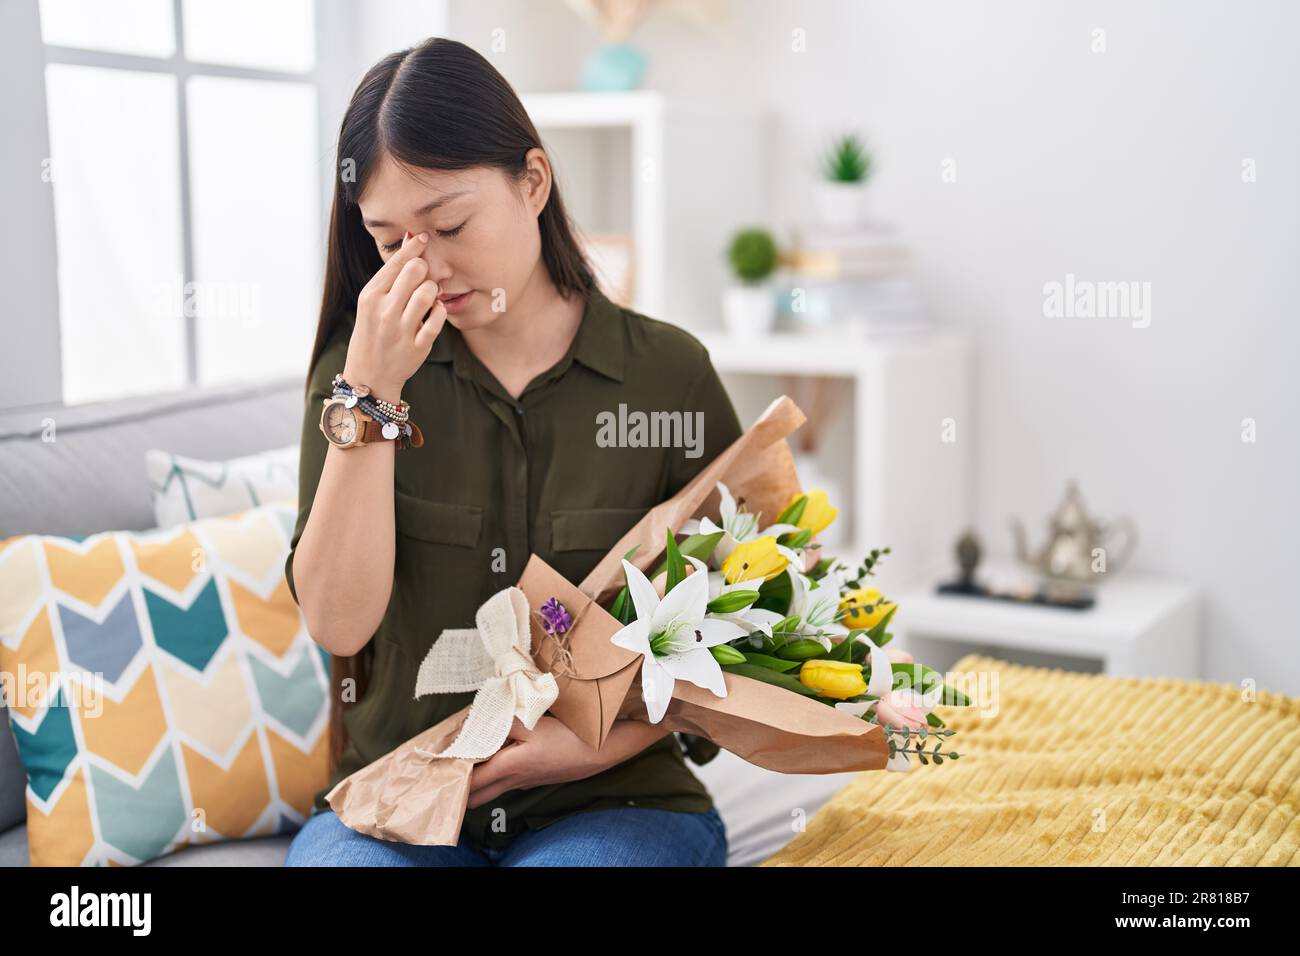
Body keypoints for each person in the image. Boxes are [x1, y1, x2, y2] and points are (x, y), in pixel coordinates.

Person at [282, 37, 742, 867]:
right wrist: (371, 402)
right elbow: (337, 622)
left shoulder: (669, 374)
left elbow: (742, 620)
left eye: (449, 223)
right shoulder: (355, 379)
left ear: (533, 181)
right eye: (389, 243)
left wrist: (593, 746)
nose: (423, 267)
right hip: (399, 806)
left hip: (616, 802)